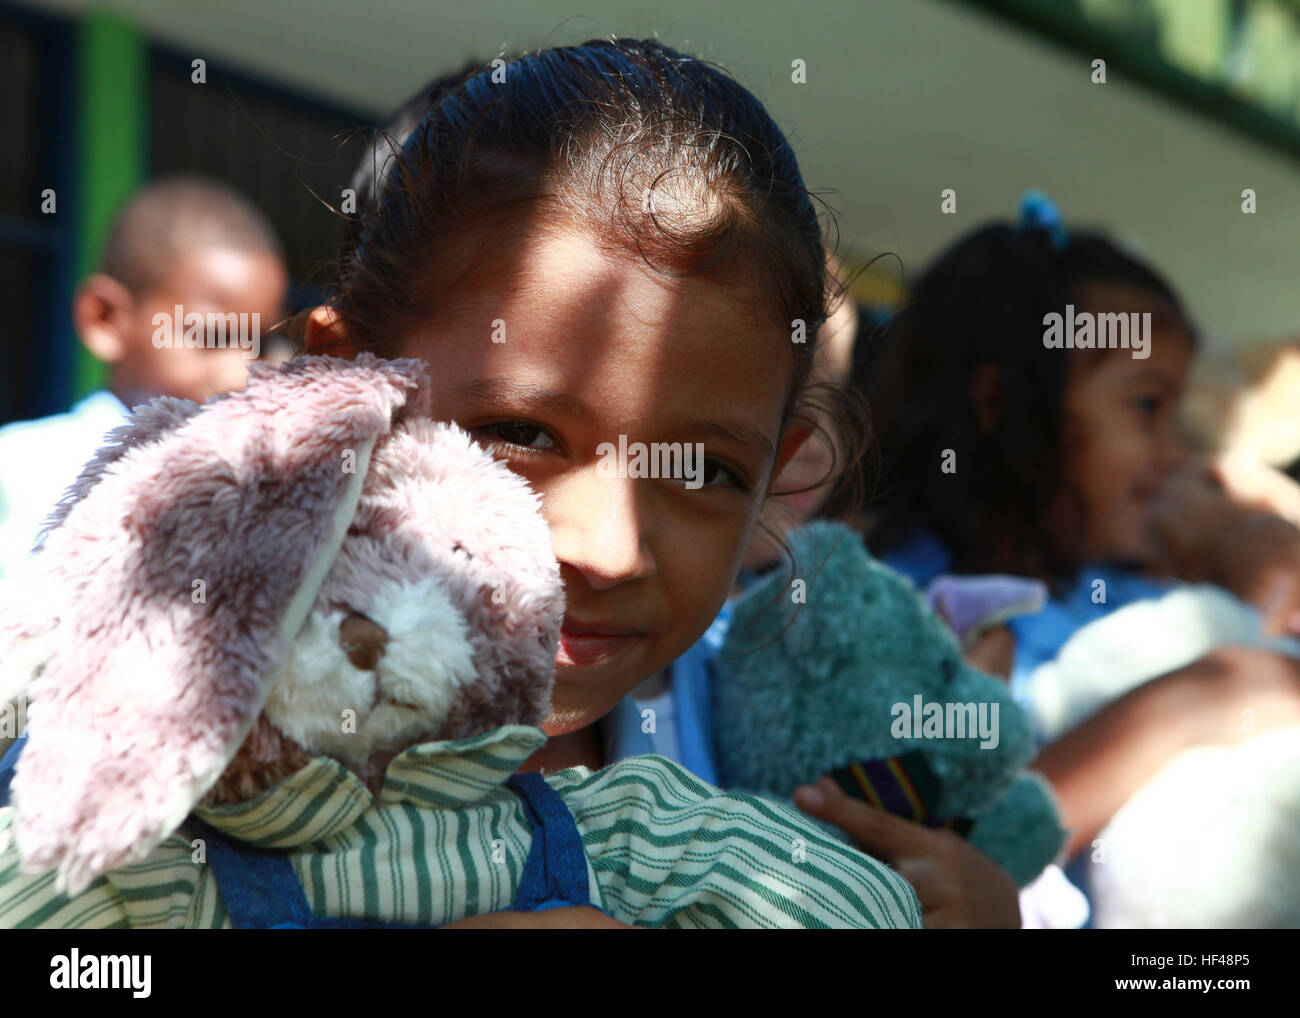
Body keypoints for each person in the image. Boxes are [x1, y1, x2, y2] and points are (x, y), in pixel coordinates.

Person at [320, 44, 1022, 928]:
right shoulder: (180, 712)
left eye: (704, 470)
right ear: (341, 390)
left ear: (777, 467)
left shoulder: (774, 724)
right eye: (523, 434)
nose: (611, 551)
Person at [855, 209, 1300, 908]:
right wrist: (1183, 706)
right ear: (1001, 404)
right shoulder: (892, 606)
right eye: (1147, 407)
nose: (1173, 455)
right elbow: (923, 860)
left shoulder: (1125, 588)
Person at [0, 177, 288, 581]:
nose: (241, 372)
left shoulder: (267, 486)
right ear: (105, 318)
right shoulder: (21, 471)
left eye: (260, 342)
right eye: (211, 337)